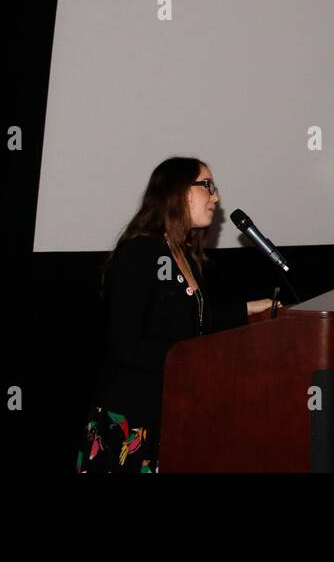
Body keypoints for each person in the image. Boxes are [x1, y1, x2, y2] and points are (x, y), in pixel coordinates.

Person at [75, 156, 277, 472]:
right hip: (132, 417)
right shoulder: (141, 252)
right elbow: (125, 345)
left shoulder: (183, 254)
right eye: (207, 185)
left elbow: (193, 323)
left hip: (171, 411)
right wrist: (191, 361)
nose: (216, 197)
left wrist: (247, 309)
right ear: (178, 191)